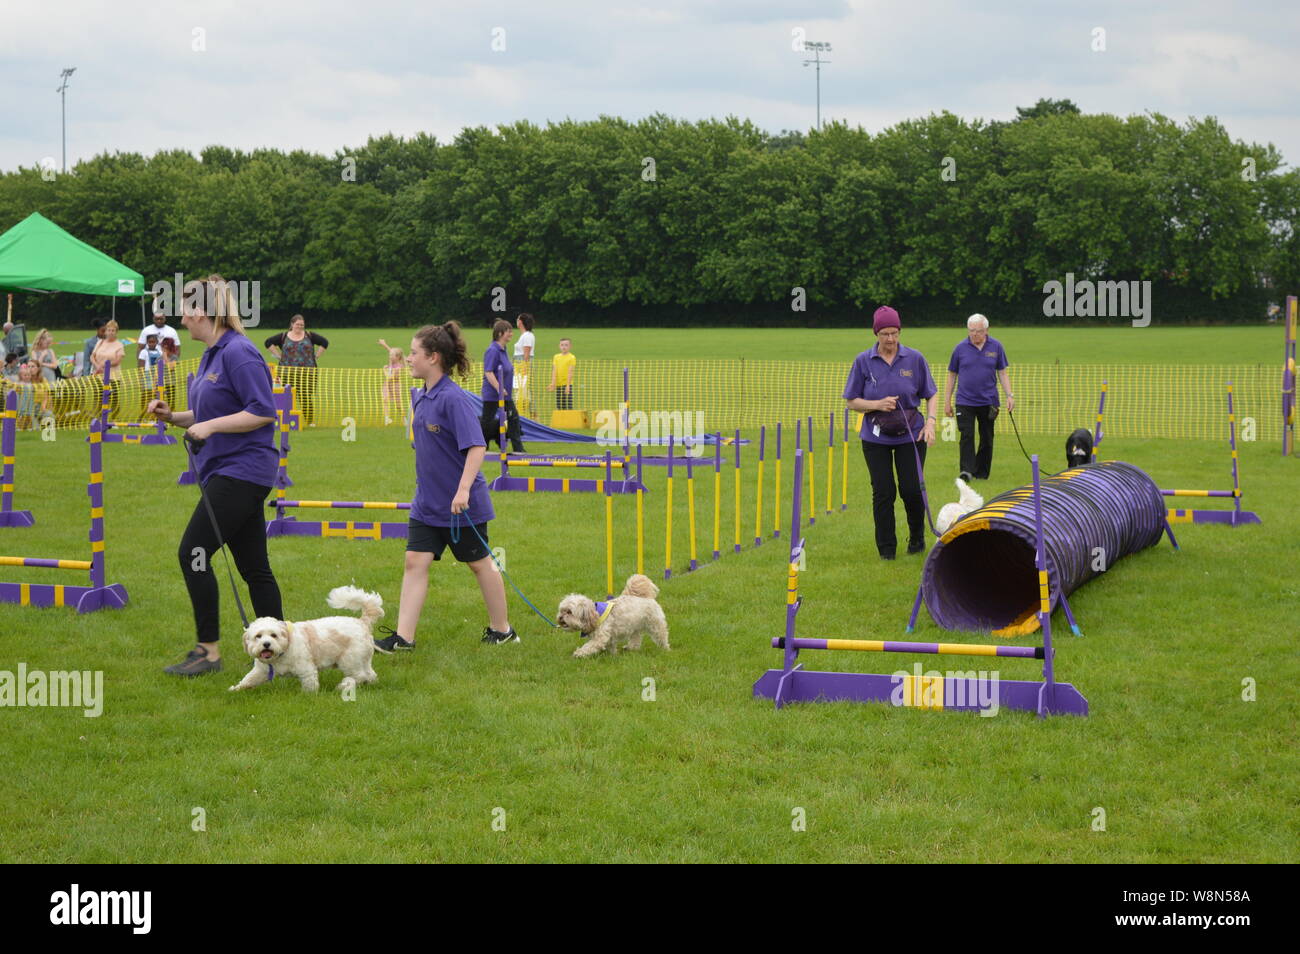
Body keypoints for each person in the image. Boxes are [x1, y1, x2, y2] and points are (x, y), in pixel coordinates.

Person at [148, 274, 283, 677]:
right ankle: (284, 652)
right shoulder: (211, 354)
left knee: (193, 551)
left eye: (186, 309)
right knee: (254, 566)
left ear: (202, 311)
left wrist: (210, 428)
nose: (181, 318)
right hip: (227, 471)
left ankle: (208, 652)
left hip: (243, 471)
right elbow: (212, 412)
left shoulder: (239, 352)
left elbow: (261, 411)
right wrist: (175, 417)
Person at [374, 321, 517, 651]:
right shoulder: (420, 396)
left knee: (479, 563)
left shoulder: (453, 399)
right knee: (414, 562)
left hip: (460, 504)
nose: (408, 358)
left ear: (433, 357)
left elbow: (477, 446)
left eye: (413, 353)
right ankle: (403, 638)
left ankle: (503, 630)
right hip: (426, 503)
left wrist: (463, 489)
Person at [842, 306, 937, 560]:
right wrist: (876, 405)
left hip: (911, 434)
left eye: (894, 333)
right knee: (883, 492)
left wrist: (930, 422)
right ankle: (886, 550)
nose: (890, 339)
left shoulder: (915, 359)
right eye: (884, 333)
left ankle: (917, 539)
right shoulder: (863, 361)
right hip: (875, 437)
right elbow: (851, 401)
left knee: (911, 490)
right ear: (876, 333)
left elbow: (931, 393)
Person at [943, 313, 1013, 482]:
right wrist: (947, 401)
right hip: (964, 401)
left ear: (986, 330)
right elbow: (952, 375)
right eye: (971, 331)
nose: (974, 334)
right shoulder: (960, 349)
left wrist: (1010, 395)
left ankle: (981, 472)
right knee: (966, 435)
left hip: (989, 401)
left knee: (987, 437)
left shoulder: (996, 347)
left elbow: (1002, 373)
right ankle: (966, 471)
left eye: (978, 331)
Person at [264, 314, 328, 426]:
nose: (299, 326)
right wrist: (278, 355)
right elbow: (268, 342)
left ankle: (309, 421)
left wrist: (316, 356)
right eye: (297, 324)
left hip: (307, 373)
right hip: (286, 373)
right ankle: (284, 420)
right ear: (292, 324)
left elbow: (324, 342)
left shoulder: (309, 335)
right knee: (286, 396)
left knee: (306, 396)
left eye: (302, 325)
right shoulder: (283, 336)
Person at [480, 319, 525, 452]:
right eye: (508, 331)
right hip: (493, 394)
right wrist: (499, 388)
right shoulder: (492, 350)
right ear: (500, 333)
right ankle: (479, 447)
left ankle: (518, 449)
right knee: (487, 422)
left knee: (513, 418)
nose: (511, 334)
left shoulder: (503, 349)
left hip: (505, 395)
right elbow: (488, 372)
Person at [90, 320, 126, 420]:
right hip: (98, 375)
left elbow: (117, 360)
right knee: (98, 398)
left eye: (113, 330)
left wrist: (105, 365)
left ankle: (114, 420)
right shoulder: (100, 342)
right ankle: (97, 419)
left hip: (113, 376)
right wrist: (97, 365)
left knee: (114, 399)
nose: (110, 332)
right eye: (109, 330)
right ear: (105, 331)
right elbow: (92, 356)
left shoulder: (119, 345)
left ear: (116, 332)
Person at [377, 338, 406, 425]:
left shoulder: (400, 366)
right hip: (387, 383)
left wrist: (384, 370)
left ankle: (404, 418)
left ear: (397, 357)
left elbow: (390, 377)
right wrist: (384, 344)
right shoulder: (391, 360)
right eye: (390, 355)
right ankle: (387, 418)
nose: (390, 356)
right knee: (385, 399)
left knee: (398, 404)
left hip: (395, 385)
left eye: (392, 356)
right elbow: (391, 352)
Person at [512, 313, 536, 416]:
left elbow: (526, 354)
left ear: (520, 322)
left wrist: (524, 369)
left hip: (522, 366)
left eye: (517, 319)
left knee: (522, 391)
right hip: (519, 365)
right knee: (523, 391)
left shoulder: (527, 336)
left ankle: (524, 413)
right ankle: (531, 414)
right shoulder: (524, 336)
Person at [137, 332, 163, 419]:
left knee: (156, 397)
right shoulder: (143, 352)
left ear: (157, 342)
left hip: (157, 376)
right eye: (150, 342)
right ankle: (143, 416)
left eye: (153, 342)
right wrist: (141, 379)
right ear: (147, 342)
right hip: (147, 376)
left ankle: (154, 417)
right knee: (146, 397)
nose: (152, 344)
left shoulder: (160, 352)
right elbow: (140, 366)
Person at [549, 336, 576, 410]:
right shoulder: (556, 357)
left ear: (570, 346)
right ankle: (561, 419)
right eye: (562, 345)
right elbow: (554, 371)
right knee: (560, 404)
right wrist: (553, 383)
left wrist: (568, 386)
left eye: (566, 345)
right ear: (559, 346)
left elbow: (570, 372)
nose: (564, 347)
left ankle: (570, 418)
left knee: (569, 404)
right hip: (558, 384)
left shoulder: (572, 357)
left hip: (567, 384)